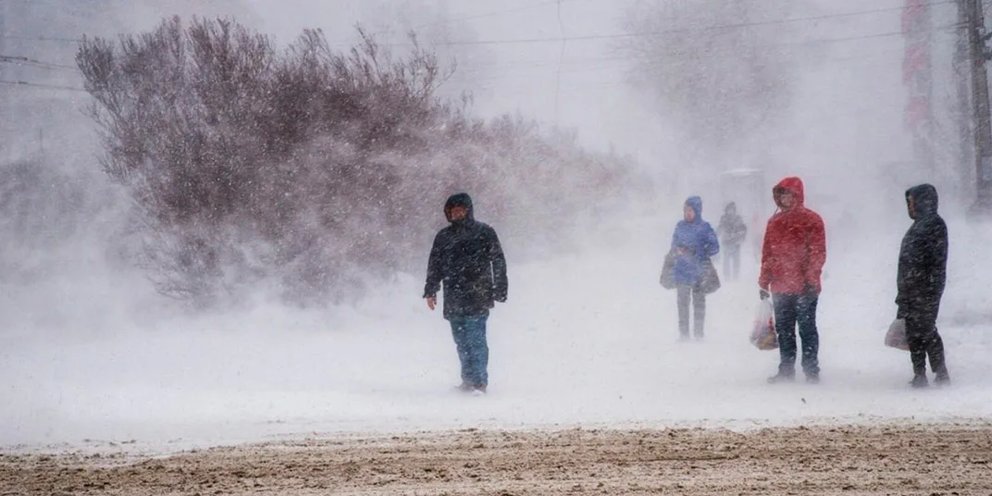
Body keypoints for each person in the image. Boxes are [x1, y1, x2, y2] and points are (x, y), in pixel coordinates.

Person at [424, 193, 508, 395]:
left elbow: (498, 260)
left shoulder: (484, 232)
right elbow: (435, 264)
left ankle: (479, 382)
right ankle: (468, 381)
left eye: (460, 209)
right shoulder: (444, 237)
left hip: (478, 294)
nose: (456, 213)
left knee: (476, 339)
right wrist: (431, 289)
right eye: (452, 210)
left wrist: (500, 287)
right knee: (461, 342)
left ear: (468, 210)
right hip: (453, 296)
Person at [759, 177, 826, 384]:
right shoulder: (774, 222)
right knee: (784, 330)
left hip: (805, 287)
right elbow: (768, 254)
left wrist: (811, 277)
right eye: (781, 194)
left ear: (797, 195)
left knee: (806, 329)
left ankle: (811, 370)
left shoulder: (812, 220)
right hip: (781, 286)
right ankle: (786, 369)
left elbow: (817, 252)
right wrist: (763, 281)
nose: (784, 198)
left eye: (788, 193)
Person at [896, 184, 950, 388]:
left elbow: (931, 261)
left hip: (925, 289)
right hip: (913, 289)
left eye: (912, 201)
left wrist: (920, 284)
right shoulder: (920, 225)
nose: (909, 206)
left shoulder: (933, 224)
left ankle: (940, 371)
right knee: (914, 331)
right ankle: (920, 373)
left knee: (926, 330)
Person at [670, 196, 719, 340]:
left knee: (699, 304)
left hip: (699, 272)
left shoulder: (705, 227)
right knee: (682, 304)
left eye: (690, 210)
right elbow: (673, 244)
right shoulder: (679, 226)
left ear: (697, 211)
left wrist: (699, 252)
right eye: (685, 210)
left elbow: (715, 247)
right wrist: (677, 251)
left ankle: (699, 334)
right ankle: (683, 334)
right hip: (682, 271)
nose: (687, 213)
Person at [717, 202, 747, 281]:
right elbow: (720, 228)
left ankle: (735, 275)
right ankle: (727, 276)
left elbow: (743, 228)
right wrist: (716, 235)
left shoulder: (738, 218)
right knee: (726, 261)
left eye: (732, 209)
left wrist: (741, 236)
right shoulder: (723, 218)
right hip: (726, 242)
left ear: (734, 210)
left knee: (736, 261)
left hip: (736, 243)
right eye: (729, 209)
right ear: (726, 210)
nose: (730, 211)